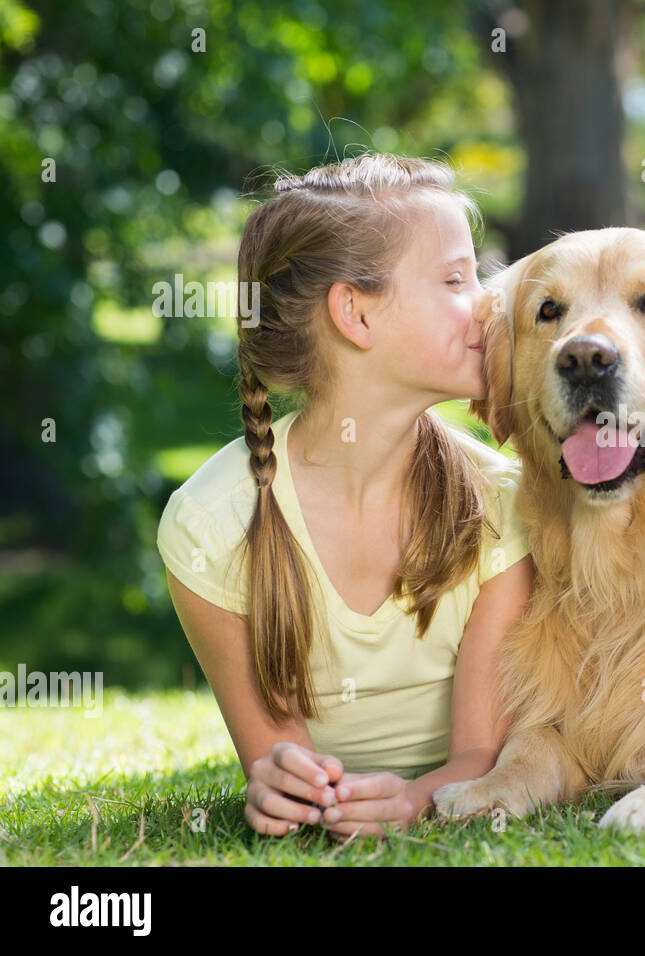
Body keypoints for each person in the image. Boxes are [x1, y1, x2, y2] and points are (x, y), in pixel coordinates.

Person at [156, 153, 533, 840]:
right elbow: (277, 753)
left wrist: (413, 801)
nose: (489, 302)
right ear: (354, 313)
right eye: (455, 278)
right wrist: (281, 781)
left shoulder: (504, 504)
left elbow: (481, 757)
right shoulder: (209, 525)